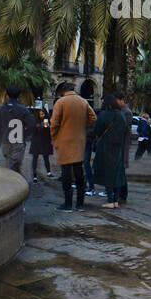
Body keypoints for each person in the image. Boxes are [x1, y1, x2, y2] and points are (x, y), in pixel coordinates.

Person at [48, 81, 92, 209]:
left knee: (66, 173)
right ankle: (80, 203)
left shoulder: (60, 102)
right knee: (79, 172)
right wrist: (82, 128)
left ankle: (67, 204)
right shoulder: (83, 101)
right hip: (79, 141)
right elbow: (93, 117)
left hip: (64, 142)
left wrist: (54, 136)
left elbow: (54, 123)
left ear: (63, 91)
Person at [92, 93, 131, 208]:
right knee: (117, 174)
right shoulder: (122, 115)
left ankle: (110, 200)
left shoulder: (104, 115)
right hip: (118, 147)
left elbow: (97, 130)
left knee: (107, 174)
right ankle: (115, 201)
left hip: (106, 147)